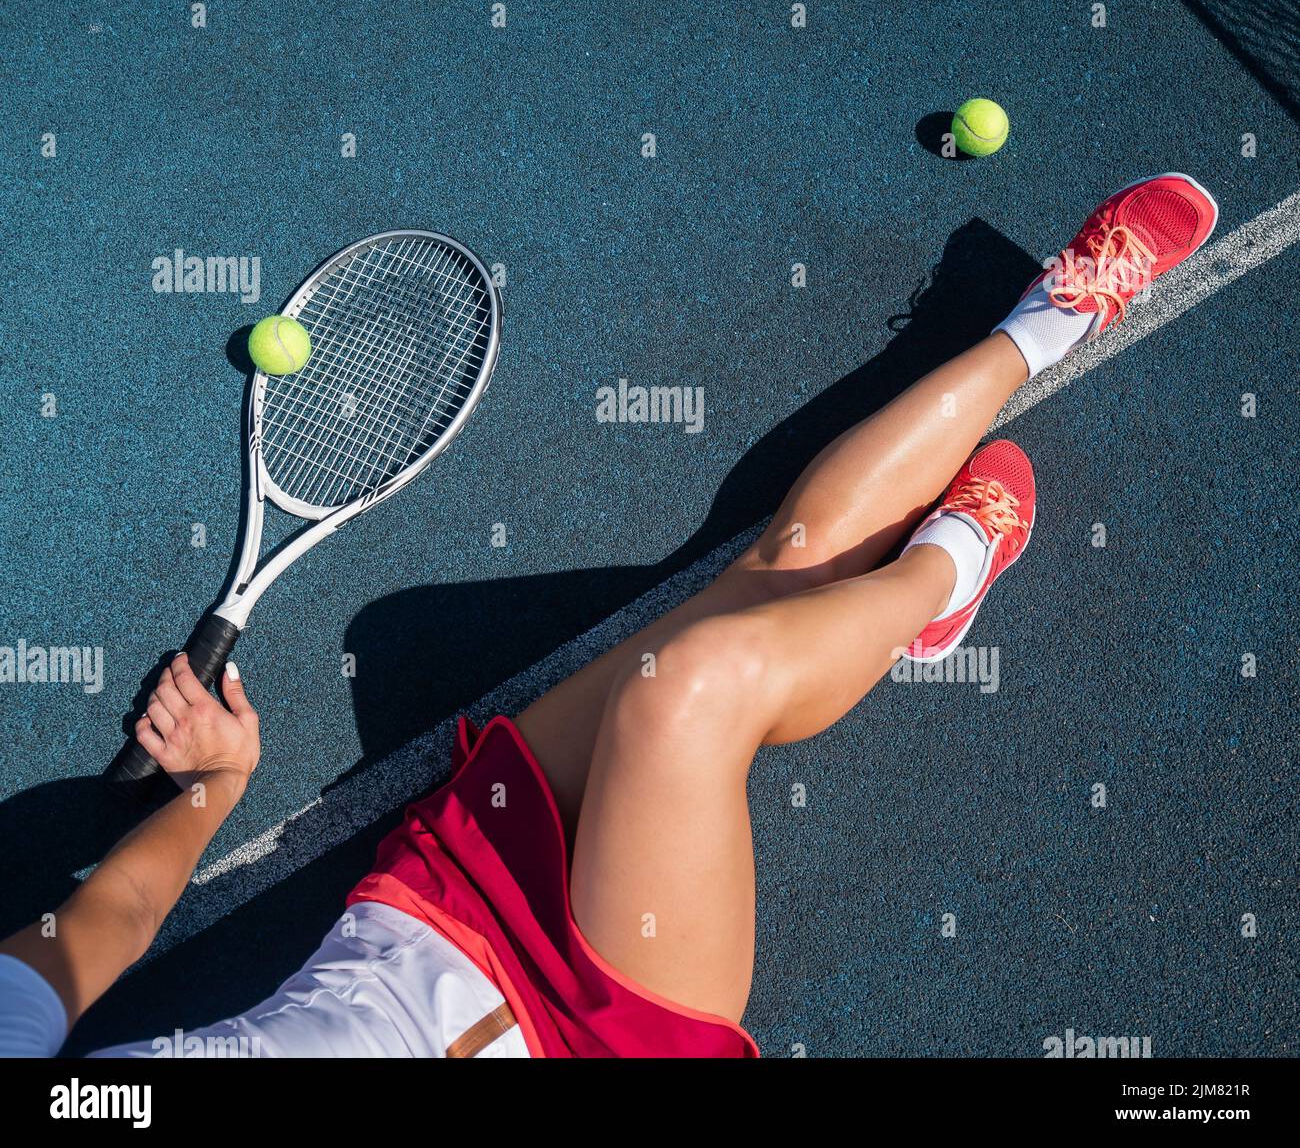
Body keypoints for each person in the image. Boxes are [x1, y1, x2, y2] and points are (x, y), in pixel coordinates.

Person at [0, 174, 1218, 1058]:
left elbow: (105, 921)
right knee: (693, 687)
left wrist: (217, 782)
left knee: (776, 570)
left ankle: (1053, 315)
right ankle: (944, 574)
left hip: (438, 897)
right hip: (588, 1037)